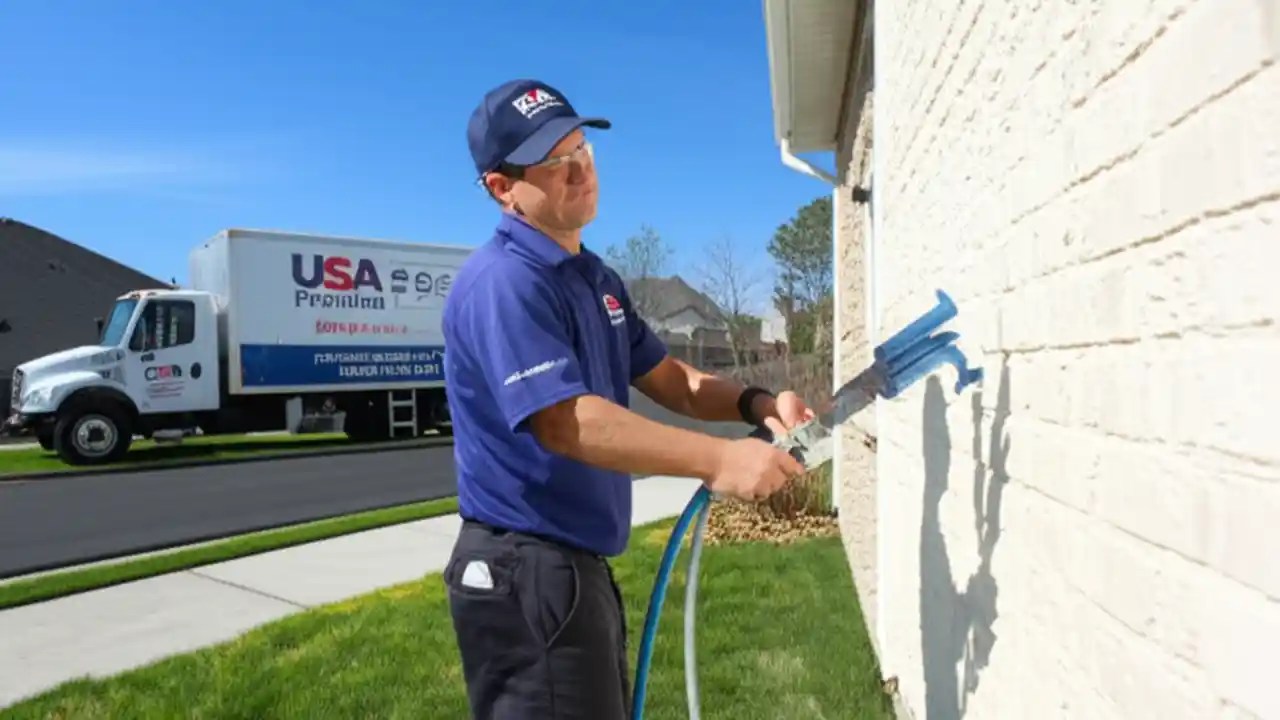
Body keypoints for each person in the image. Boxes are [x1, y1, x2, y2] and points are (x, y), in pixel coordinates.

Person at [441, 78, 818, 720]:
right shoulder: (505, 283)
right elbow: (566, 422)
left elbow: (672, 379)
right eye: (554, 162)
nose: (579, 170)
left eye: (582, 149)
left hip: (569, 569)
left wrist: (756, 402)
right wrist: (719, 461)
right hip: (524, 569)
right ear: (502, 189)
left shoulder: (595, 280)